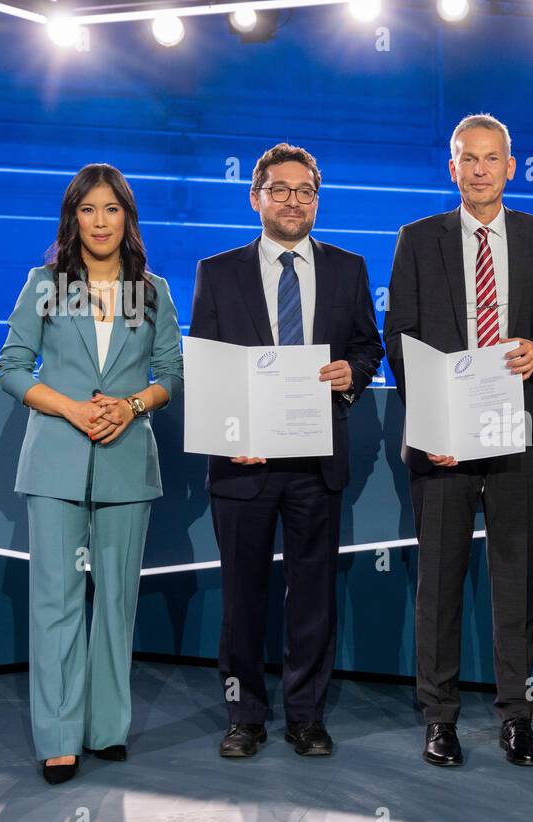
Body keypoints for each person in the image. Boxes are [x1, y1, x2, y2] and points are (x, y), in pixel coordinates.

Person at [383, 113, 533, 767]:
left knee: (515, 583)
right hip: (443, 442)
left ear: (510, 166)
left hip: (519, 434)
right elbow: (399, 338)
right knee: (437, 583)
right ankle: (439, 719)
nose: (480, 169)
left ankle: (516, 717)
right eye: (468, 158)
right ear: (452, 167)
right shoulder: (417, 238)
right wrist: (433, 423)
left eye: (492, 158)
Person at [189, 143, 383, 759]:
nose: (293, 201)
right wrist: (229, 434)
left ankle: (306, 715)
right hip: (243, 463)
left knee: (313, 596)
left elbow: (367, 347)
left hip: (315, 460)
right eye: (280, 190)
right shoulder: (216, 272)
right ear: (256, 198)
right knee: (242, 596)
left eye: (305, 191)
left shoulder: (349, 269)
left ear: (316, 200)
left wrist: (352, 373)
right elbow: (208, 366)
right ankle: (244, 715)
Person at [0, 163, 183, 784]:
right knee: (56, 600)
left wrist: (131, 407)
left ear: (126, 217)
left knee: (117, 603)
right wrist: (71, 407)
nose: (100, 222)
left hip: (128, 465)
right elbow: (13, 367)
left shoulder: (152, 290)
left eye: (111, 209)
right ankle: (57, 737)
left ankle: (107, 729)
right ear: (71, 217)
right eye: (87, 210)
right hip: (54, 464)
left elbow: (171, 376)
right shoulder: (43, 284)